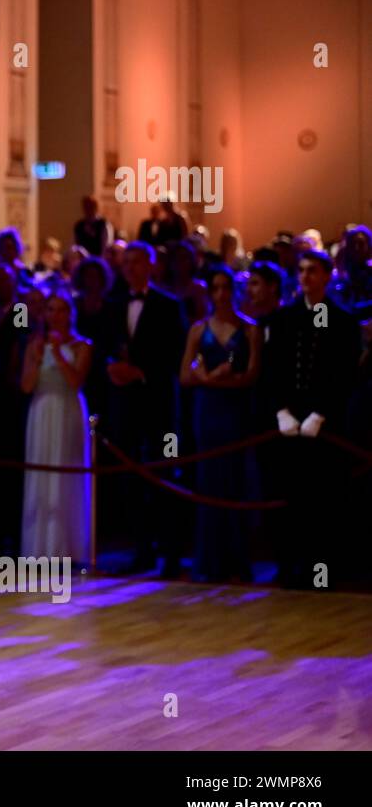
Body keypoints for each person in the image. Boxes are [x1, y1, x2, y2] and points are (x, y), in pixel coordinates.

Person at [261, 250, 361, 589]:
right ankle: (290, 567)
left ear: (327, 276)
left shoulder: (343, 321)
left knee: (324, 502)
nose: (305, 277)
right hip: (290, 425)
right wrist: (282, 410)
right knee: (290, 499)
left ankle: (322, 572)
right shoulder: (283, 319)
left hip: (325, 427)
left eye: (312, 271)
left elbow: (344, 374)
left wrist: (321, 412)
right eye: (301, 271)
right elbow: (273, 370)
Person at [100, 242, 187, 576]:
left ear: (152, 266)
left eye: (137, 262)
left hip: (160, 406)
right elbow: (107, 346)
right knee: (130, 480)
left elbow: (177, 353)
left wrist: (142, 372)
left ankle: (172, 554)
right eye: (127, 263)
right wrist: (112, 367)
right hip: (125, 407)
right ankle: (142, 549)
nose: (131, 268)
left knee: (165, 477)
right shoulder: (114, 305)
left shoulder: (169, 305)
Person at [179, 268, 261, 583]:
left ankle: (237, 559)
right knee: (209, 481)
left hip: (235, 412)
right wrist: (210, 378)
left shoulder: (250, 329)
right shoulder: (198, 330)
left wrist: (221, 381)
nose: (221, 294)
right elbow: (185, 376)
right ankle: (210, 559)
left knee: (236, 481)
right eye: (216, 288)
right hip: (208, 412)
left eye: (226, 288)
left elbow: (252, 376)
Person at [20, 293, 92, 561]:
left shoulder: (83, 346)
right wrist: (38, 358)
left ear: (70, 313)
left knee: (66, 473)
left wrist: (59, 355)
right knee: (40, 471)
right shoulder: (33, 344)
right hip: (40, 410)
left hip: (67, 410)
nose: (55, 316)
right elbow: (26, 386)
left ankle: (65, 548)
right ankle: (37, 548)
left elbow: (76, 383)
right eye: (50, 310)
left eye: (61, 310)